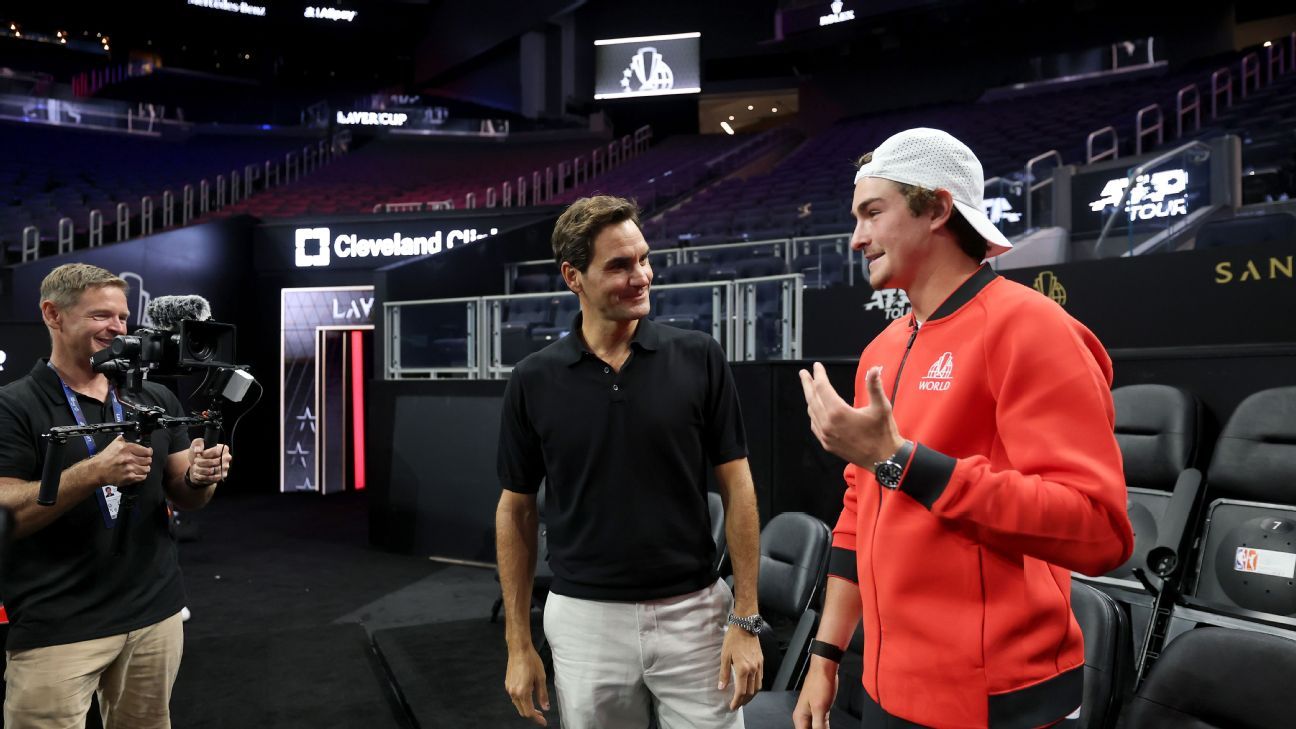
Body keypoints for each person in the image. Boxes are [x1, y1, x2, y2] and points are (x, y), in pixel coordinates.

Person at [794, 128, 1134, 729]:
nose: (856, 238)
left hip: (996, 698)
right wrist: (825, 655)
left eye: (873, 212)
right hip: (884, 687)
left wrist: (902, 461)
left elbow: (1098, 530)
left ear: (938, 209)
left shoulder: (1033, 328)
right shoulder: (881, 350)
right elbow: (857, 513)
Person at [496, 195, 764, 728]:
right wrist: (518, 643)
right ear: (574, 276)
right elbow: (515, 512)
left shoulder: (699, 356)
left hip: (695, 616)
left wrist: (747, 617)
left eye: (643, 258)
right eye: (619, 265)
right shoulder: (533, 378)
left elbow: (739, 488)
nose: (641, 275)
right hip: (583, 621)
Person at [0, 263, 232, 729]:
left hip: (155, 615)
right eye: (101, 316)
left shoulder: (156, 398)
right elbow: (8, 515)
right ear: (53, 314)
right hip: (59, 626)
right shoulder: (13, 405)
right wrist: (93, 472)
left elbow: (186, 494)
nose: (118, 329)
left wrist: (202, 476)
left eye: (123, 317)